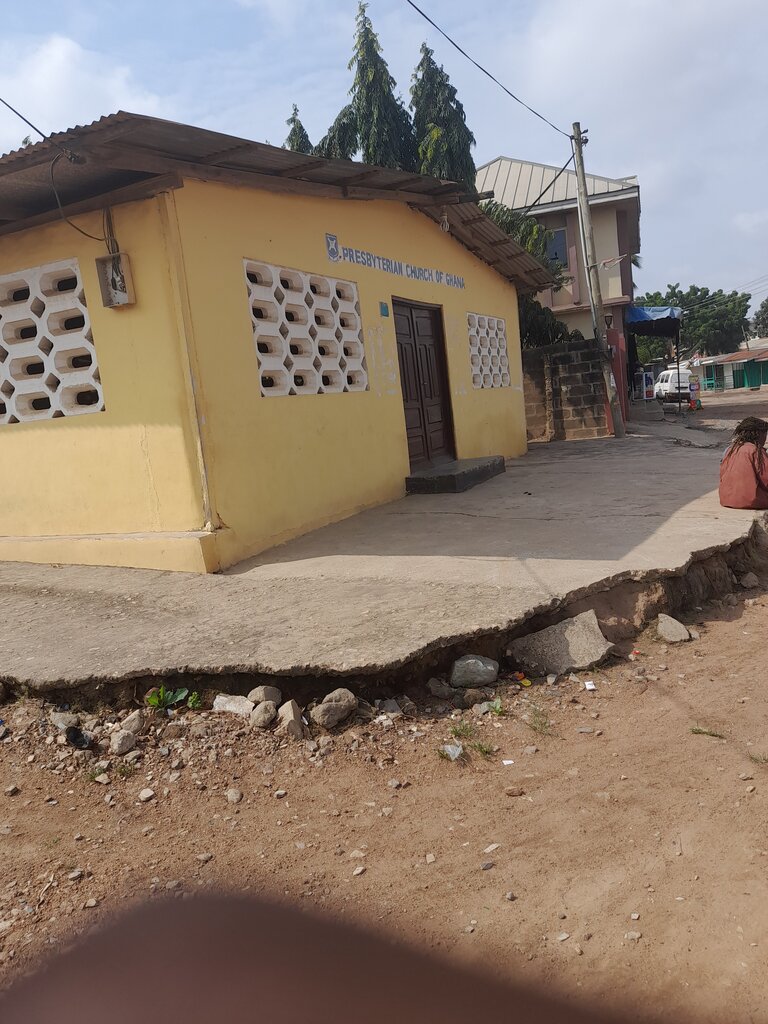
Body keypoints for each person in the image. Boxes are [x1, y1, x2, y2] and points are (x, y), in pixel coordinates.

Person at [719, 416, 768, 509]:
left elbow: (722, 474)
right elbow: (766, 479)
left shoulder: (729, 449)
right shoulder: (756, 451)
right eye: (765, 434)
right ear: (758, 434)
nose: (765, 439)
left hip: (726, 498)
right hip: (751, 500)